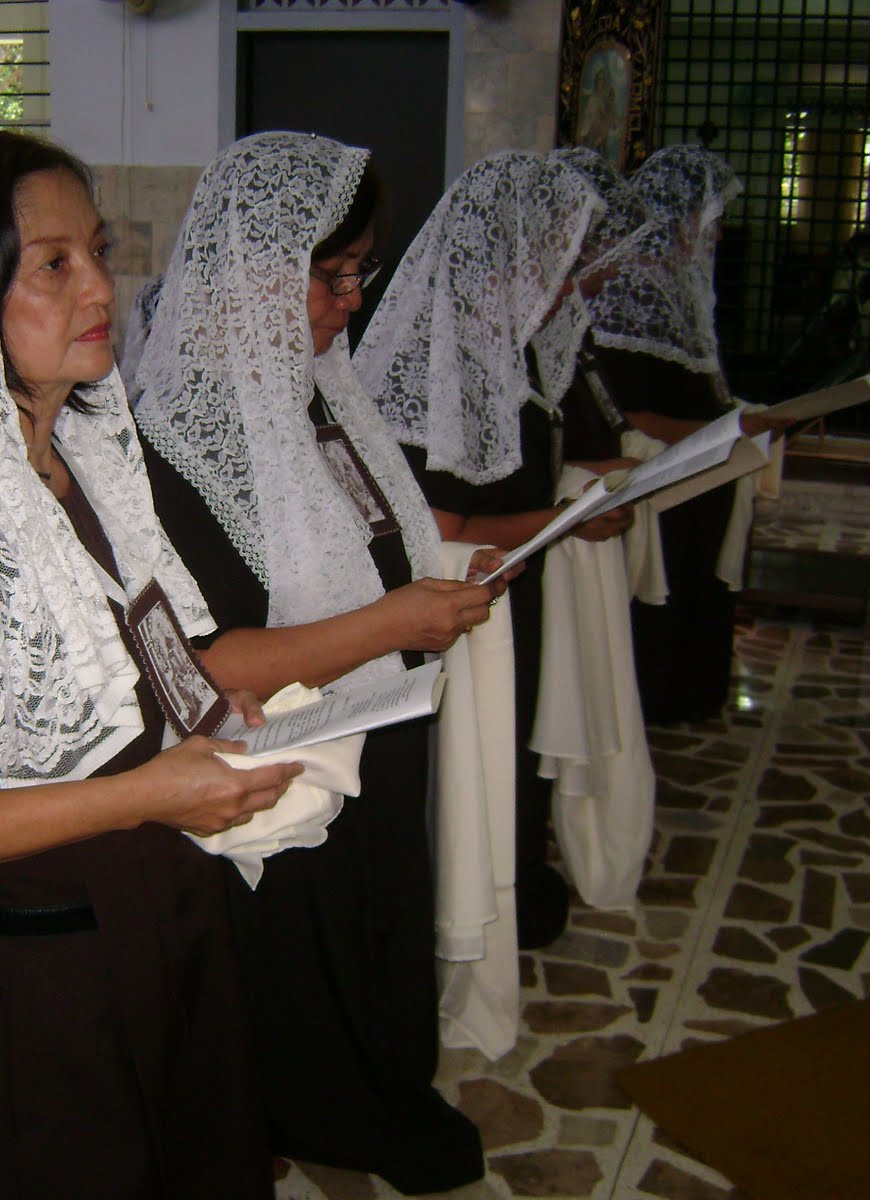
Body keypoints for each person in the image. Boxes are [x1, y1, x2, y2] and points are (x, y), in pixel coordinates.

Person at [0, 130, 298, 1199]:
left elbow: (120, 660)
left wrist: (200, 708)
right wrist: (146, 794)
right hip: (34, 986)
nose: (98, 288)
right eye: (52, 264)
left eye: (98, 251)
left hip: (149, 910)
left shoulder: (83, 469)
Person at [134, 131, 495, 1196]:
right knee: (304, 964)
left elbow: (376, 547)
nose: (347, 303)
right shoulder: (179, 441)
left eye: (359, 274)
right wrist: (394, 623)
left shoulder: (320, 394)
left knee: (375, 932)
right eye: (328, 275)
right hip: (287, 758)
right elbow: (209, 660)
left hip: (375, 726)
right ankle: (308, 1106)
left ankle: (370, 1085)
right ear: (250, 273)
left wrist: (443, 579)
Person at [356, 150, 634, 950]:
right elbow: (435, 525)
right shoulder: (438, 362)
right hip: (464, 606)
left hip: (514, 590)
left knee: (515, 762)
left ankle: (519, 884)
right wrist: (562, 518)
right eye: (558, 260)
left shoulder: (509, 347)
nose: (570, 282)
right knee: (481, 767)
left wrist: (574, 500)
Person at [569, 144, 772, 726]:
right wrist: (724, 428)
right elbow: (627, 408)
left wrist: (736, 418)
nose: (717, 234)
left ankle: (695, 692)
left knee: (697, 583)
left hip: (703, 472)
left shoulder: (684, 287)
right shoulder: (623, 294)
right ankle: (659, 699)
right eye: (711, 218)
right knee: (661, 593)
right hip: (663, 481)